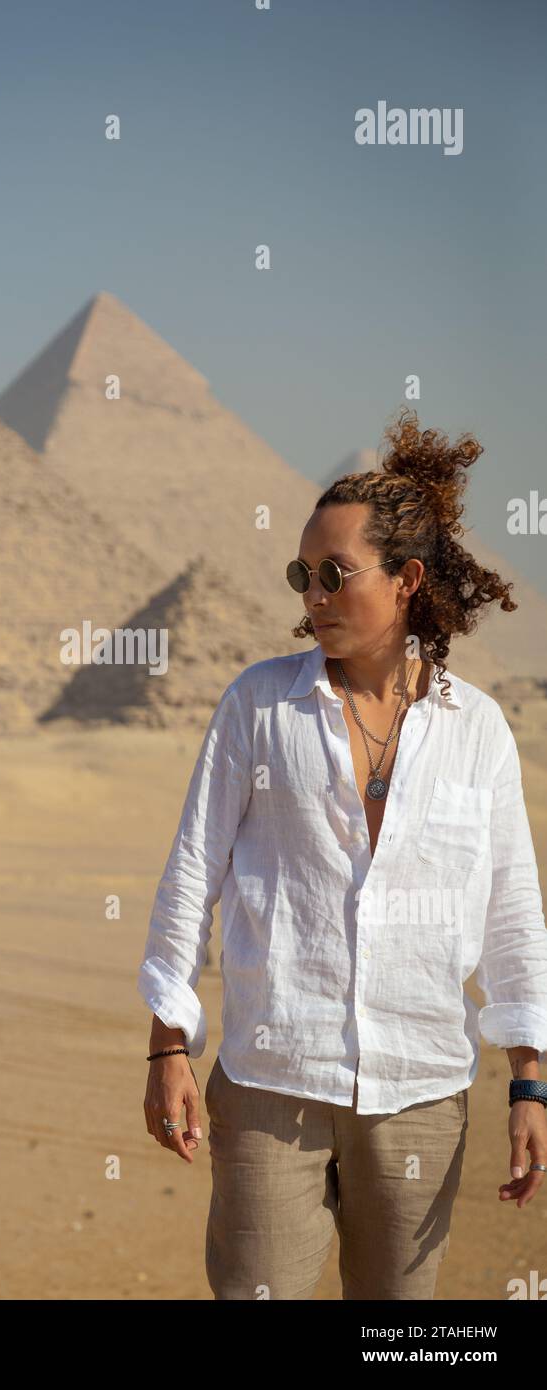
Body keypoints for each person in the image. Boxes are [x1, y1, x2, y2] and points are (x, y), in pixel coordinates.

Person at [137, 408, 547, 1300]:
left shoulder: (477, 730)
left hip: (422, 1090)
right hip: (271, 1080)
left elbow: (513, 907)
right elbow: (190, 875)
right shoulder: (258, 707)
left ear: (405, 581)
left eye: (334, 575)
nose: (312, 596)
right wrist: (168, 1046)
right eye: (301, 574)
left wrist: (530, 1084)